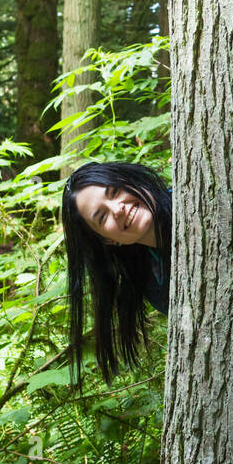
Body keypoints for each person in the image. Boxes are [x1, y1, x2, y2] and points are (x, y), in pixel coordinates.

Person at [61, 162, 172, 387]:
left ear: (132, 182)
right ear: (108, 240)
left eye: (114, 192)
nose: (117, 209)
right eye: (102, 217)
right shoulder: (151, 279)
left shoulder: (199, 199)